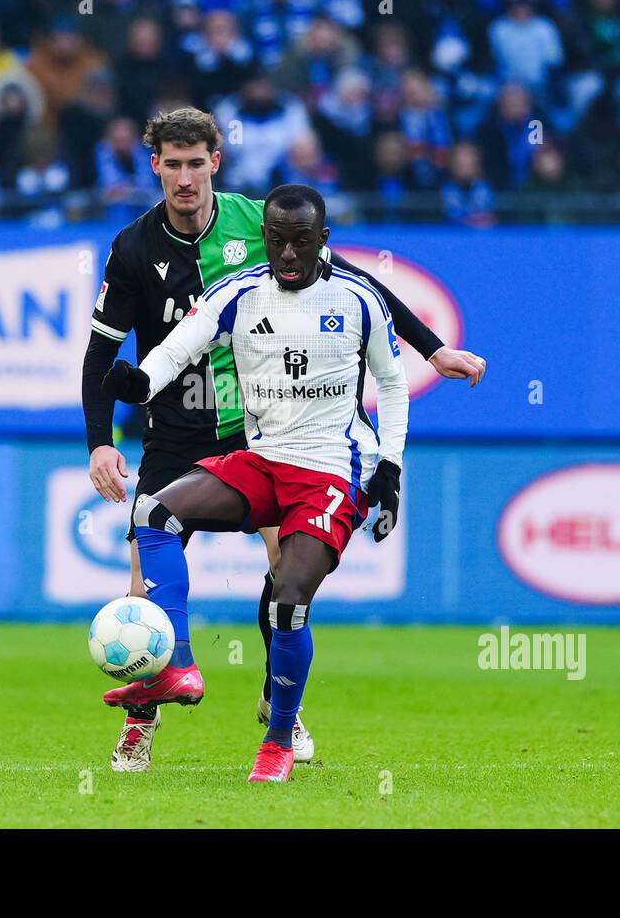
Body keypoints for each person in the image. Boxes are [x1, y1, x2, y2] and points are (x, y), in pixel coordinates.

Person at [81, 107, 487, 772]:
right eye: (171, 164)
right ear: (154, 166)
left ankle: (281, 707)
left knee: (288, 576)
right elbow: (103, 355)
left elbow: (365, 286)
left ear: (216, 161)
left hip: (260, 430)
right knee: (142, 584)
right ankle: (143, 719)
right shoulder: (132, 249)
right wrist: (101, 440)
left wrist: (433, 350)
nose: (184, 178)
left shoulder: (261, 223)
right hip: (175, 431)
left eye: (196, 163)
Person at [100, 184, 409, 782]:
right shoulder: (236, 294)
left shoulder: (358, 300)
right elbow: (175, 348)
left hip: (330, 474)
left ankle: (277, 741)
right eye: (276, 241)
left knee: (289, 604)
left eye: (300, 242)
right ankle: (178, 666)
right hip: (263, 460)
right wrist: (140, 382)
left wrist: (390, 471)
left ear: (323, 240)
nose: (288, 255)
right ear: (262, 239)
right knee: (152, 516)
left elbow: (392, 386)